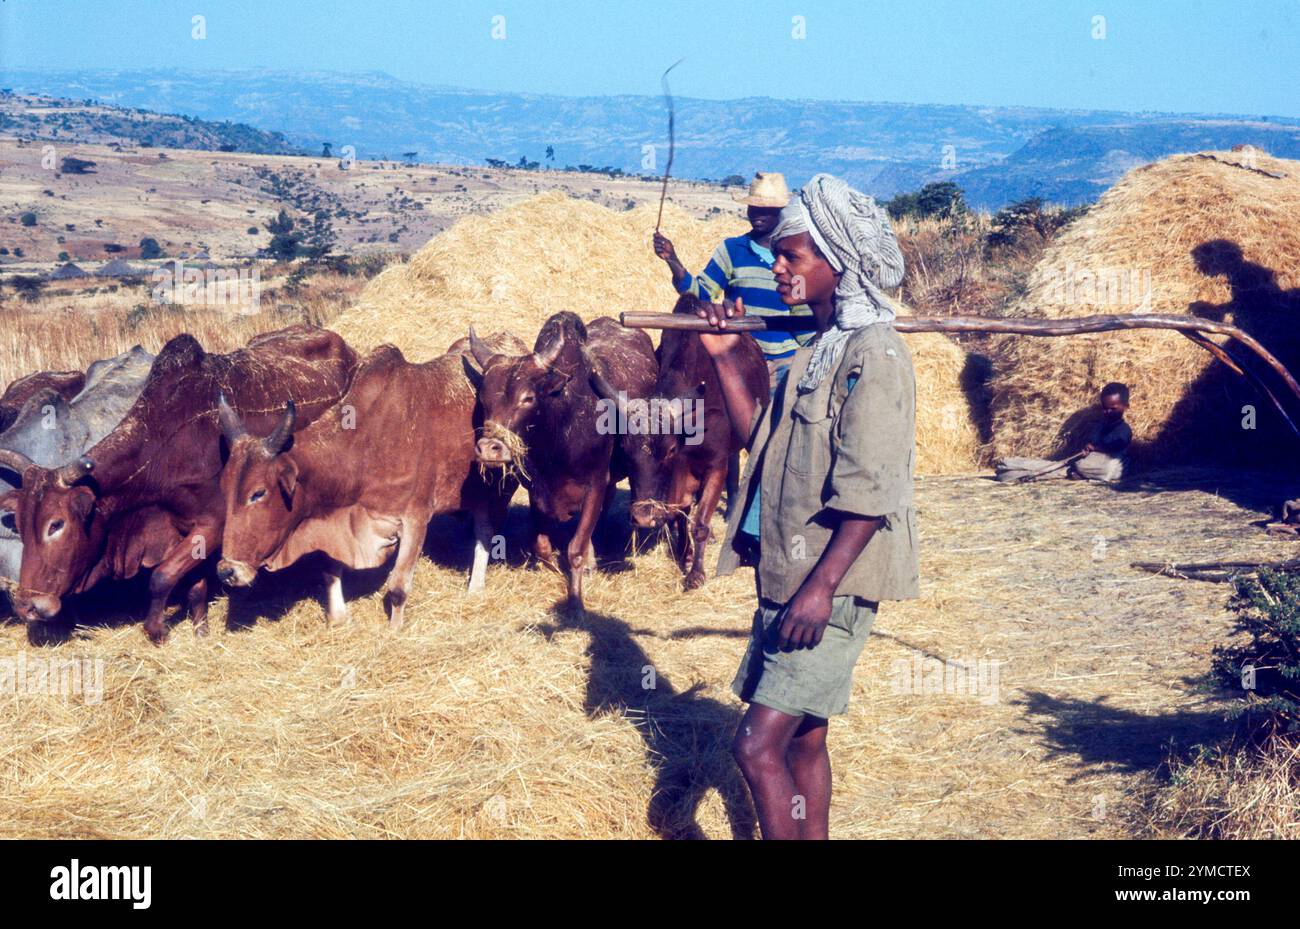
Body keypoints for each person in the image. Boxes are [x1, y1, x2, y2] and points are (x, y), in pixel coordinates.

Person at [695, 173, 917, 839]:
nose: (778, 265)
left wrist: (820, 590)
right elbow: (760, 442)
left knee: (755, 746)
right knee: (803, 741)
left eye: (793, 255)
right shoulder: (817, 352)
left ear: (837, 263)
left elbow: (871, 492)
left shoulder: (874, 355)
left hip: (830, 584)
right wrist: (725, 359)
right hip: (787, 576)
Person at [654, 171, 817, 393]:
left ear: (780, 212)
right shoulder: (732, 250)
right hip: (740, 357)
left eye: (766, 210)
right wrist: (673, 260)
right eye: (753, 207)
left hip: (783, 362)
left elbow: (802, 314)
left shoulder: (792, 256)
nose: (758, 214)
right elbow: (701, 294)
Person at [994, 383, 1132, 483]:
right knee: (1065, 466)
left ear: (1125, 407)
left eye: (1113, 409)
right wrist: (1088, 450)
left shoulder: (1124, 430)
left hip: (1108, 465)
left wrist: (1095, 449)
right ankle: (1008, 467)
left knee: (1107, 467)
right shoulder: (1099, 426)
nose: (1107, 412)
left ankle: (1075, 471)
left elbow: (1115, 447)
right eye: (1105, 408)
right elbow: (1092, 445)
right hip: (1090, 464)